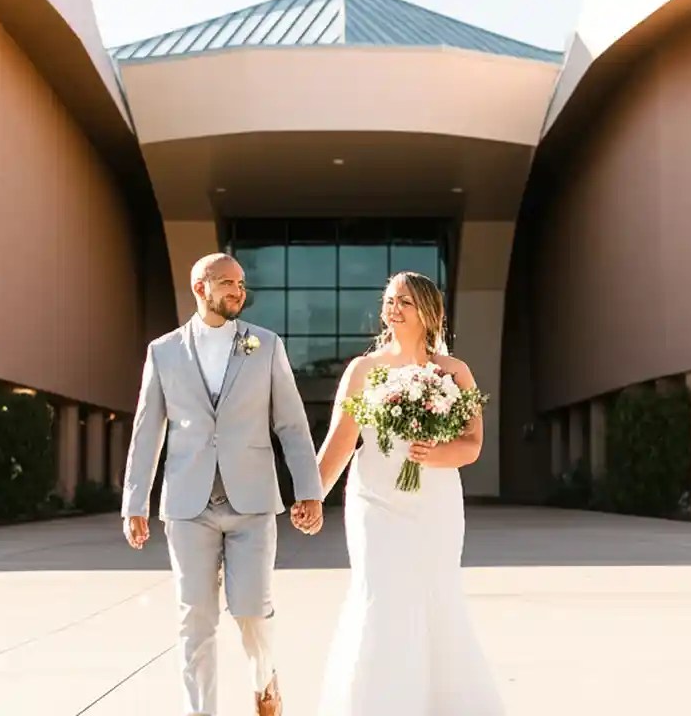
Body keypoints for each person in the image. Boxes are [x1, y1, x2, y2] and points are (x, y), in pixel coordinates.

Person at [120, 253, 324, 716]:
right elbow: (147, 429)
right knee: (195, 620)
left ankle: (263, 676)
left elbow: (291, 423)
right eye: (227, 283)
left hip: (251, 501)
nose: (238, 291)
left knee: (251, 610)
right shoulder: (163, 351)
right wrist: (136, 501)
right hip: (188, 505)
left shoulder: (266, 346)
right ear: (200, 288)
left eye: (241, 283)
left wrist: (308, 491)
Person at [305, 271, 505, 715]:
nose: (394, 308)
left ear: (429, 312)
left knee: (436, 595)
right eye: (390, 299)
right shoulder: (363, 370)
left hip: (434, 503)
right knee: (380, 594)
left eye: (406, 302)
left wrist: (435, 453)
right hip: (374, 501)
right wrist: (310, 496)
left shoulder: (454, 372)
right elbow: (341, 440)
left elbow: (472, 445)